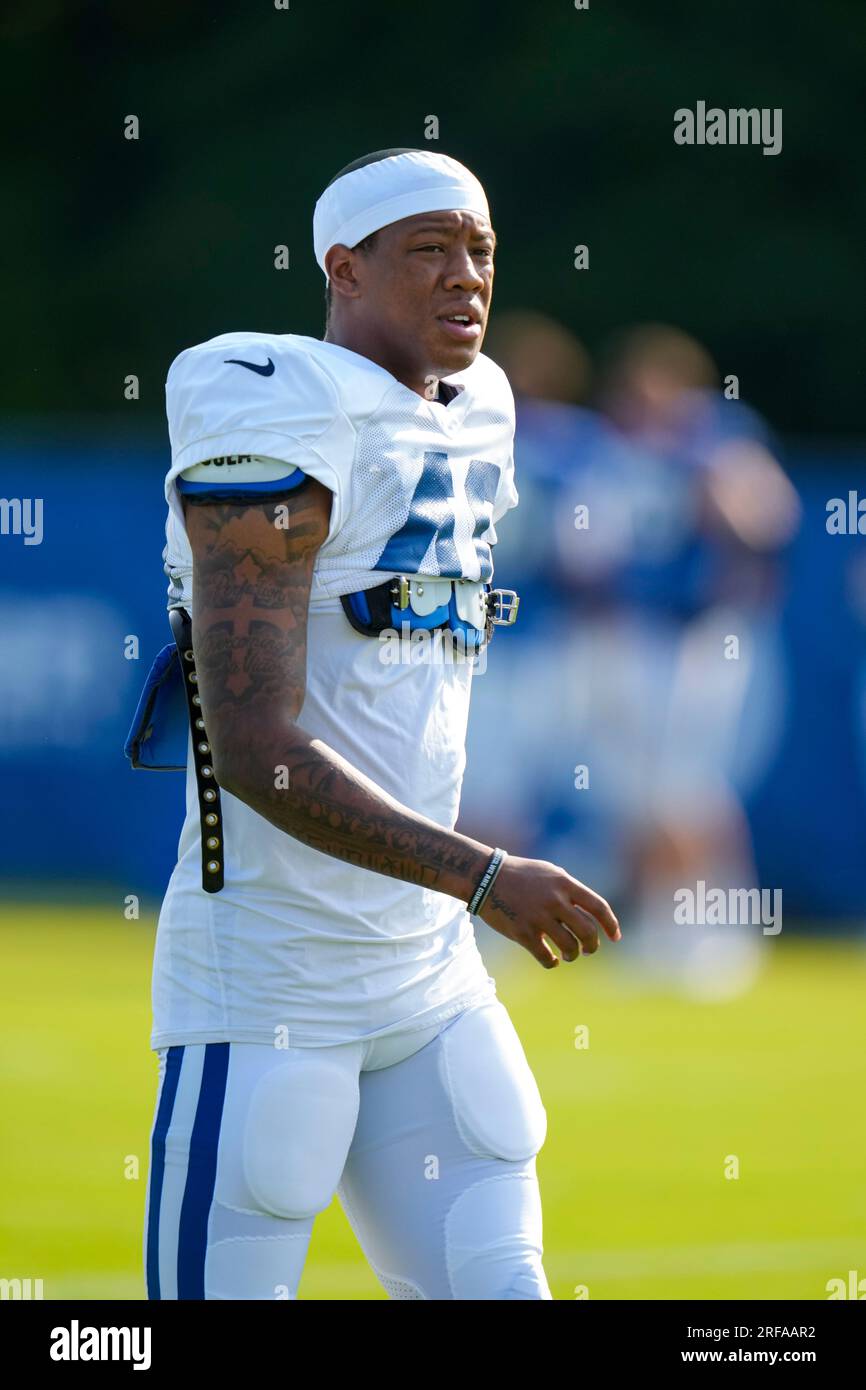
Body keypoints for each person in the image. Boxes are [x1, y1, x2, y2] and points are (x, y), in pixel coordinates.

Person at [143, 148, 620, 1301]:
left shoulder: (485, 408)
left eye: (481, 251)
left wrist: (460, 894)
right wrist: (483, 873)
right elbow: (255, 747)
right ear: (342, 269)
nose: (466, 276)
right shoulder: (268, 396)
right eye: (429, 249)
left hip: (424, 980)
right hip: (267, 982)